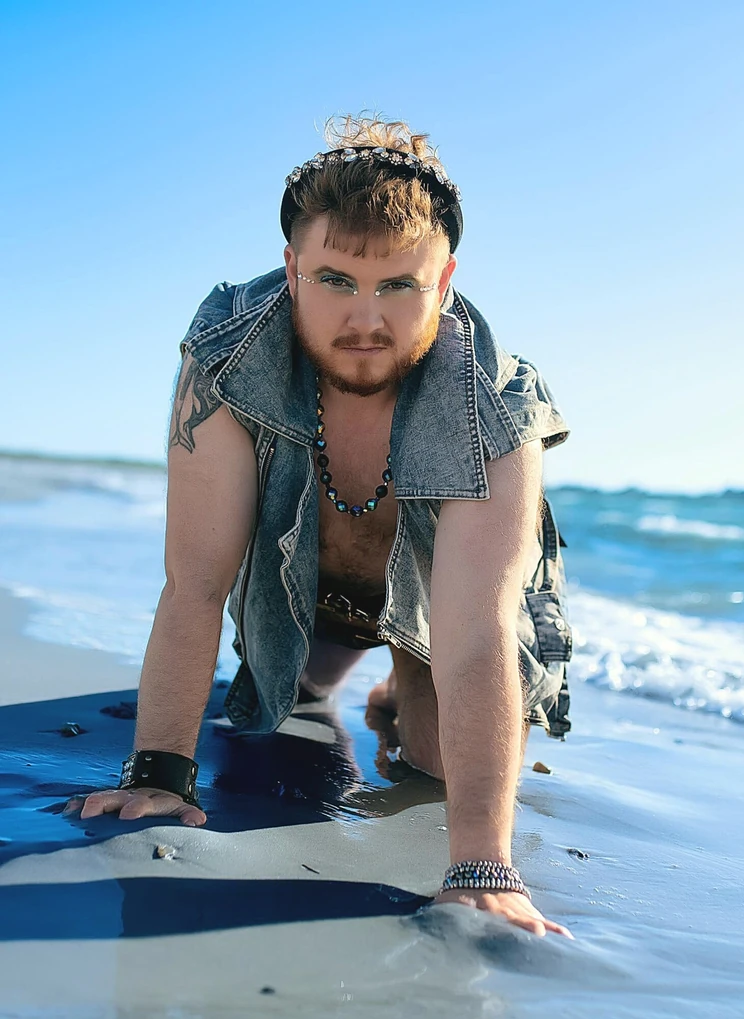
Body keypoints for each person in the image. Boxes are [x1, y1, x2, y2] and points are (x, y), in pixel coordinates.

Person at [66, 113, 574, 938]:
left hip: (445, 603)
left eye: (398, 286)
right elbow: (195, 579)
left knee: (439, 766)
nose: (365, 319)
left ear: (443, 284)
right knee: (287, 692)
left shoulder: (496, 401)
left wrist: (483, 864)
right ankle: (348, 668)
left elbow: (477, 633)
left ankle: (405, 685)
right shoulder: (230, 356)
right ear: (293, 269)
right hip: (306, 579)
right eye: (337, 280)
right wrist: (159, 772)